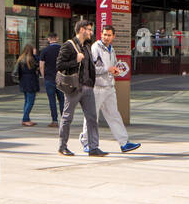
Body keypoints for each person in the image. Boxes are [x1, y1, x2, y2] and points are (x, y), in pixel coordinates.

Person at [79, 26, 140, 153]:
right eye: (104, 34)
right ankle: (86, 142)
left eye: (109, 35)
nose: (106, 37)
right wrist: (108, 69)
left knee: (114, 115)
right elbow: (91, 68)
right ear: (101, 34)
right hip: (97, 87)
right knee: (91, 116)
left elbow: (112, 66)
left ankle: (124, 143)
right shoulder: (95, 48)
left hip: (109, 87)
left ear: (113, 36)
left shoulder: (112, 49)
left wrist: (115, 71)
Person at [56, 20, 106, 156]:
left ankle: (93, 147)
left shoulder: (87, 46)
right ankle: (62, 147)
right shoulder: (68, 45)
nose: (91, 32)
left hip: (88, 87)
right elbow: (59, 65)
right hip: (74, 87)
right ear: (82, 30)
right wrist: (75, 61)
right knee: (67, 117)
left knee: (92, 118)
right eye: (89, 29)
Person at [38, 33, 64, 127]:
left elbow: (41, 66)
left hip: (49, 78)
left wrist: (44, 76)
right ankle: (64, 120)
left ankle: (54, 120)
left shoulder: (45, 50)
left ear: (49, 39)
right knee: (62, 100)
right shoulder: (62, 49)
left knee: (52, 100)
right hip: (61, 78)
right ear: (57, 38)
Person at [14, 44, 41, 126]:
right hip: (31, 81)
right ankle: (25, 119)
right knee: (30, 101)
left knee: (27, 101)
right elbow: (39, 63)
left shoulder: (20, 59)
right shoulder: (32, 59)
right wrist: (35, 54)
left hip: (23, 81)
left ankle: (26, 118)